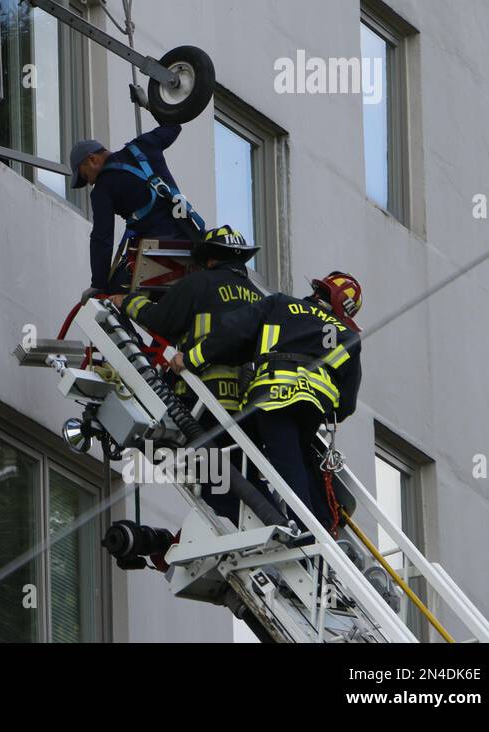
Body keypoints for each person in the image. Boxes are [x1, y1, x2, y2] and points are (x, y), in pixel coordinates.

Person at [169, 271, 365, 536]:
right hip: (312, 408)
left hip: (273, 396)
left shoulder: (280, 304)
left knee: (279, 461)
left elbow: (232, 332)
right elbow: (347, 403)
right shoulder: (347, 336)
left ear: (318, 290)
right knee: (295, 458)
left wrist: (191, 359)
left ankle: (307, 532)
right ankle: (317, 521)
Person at [111, 226, 268, 525]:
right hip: (248, 406)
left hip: (203, 399)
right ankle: (270, 524)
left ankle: (243, 533)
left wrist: (127, 301)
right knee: (244, 474)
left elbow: (161, 319)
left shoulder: (199, 284)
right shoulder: (260, 298)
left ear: (208, 258)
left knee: (214, 481)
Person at [70, 125, 205, 301]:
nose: (90, 183)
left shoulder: (102, 188)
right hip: (192, 244)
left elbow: (102, 238)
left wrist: (98, 284)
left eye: (87, 177)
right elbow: (174, 124)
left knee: (109, 301)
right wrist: (152, 103)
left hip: (157, 254)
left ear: (92, 160)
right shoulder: (144, 145)